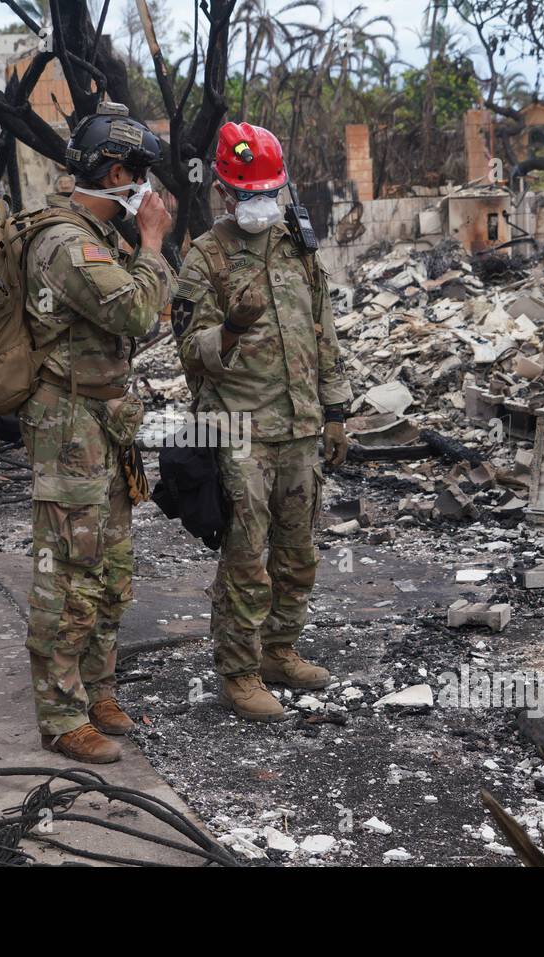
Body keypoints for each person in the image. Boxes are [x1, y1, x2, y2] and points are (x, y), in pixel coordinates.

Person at [173, 121, 353, 723]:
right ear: (223, 192)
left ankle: (279, 651)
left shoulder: (297, 244)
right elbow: (189, 349)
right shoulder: (206, 256)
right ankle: (240, 672)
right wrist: (228, 329)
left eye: (267, 192)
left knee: (298, 554)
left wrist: (335, 411)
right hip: (239, 431)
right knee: (246, 560)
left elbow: (323, 330)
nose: (258, 205)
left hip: (301, 425)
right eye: (246, 194)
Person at [20, 101, 173, 763]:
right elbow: (140, 310)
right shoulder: (66, 243)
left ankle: (98, 689)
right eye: (139, 173)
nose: (147, 188)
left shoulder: (98, 237)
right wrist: (156, 244)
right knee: (68, 575)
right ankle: (59, 714)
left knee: (110, 568)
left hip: (105, 424)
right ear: (115, 171)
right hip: (69, 429)